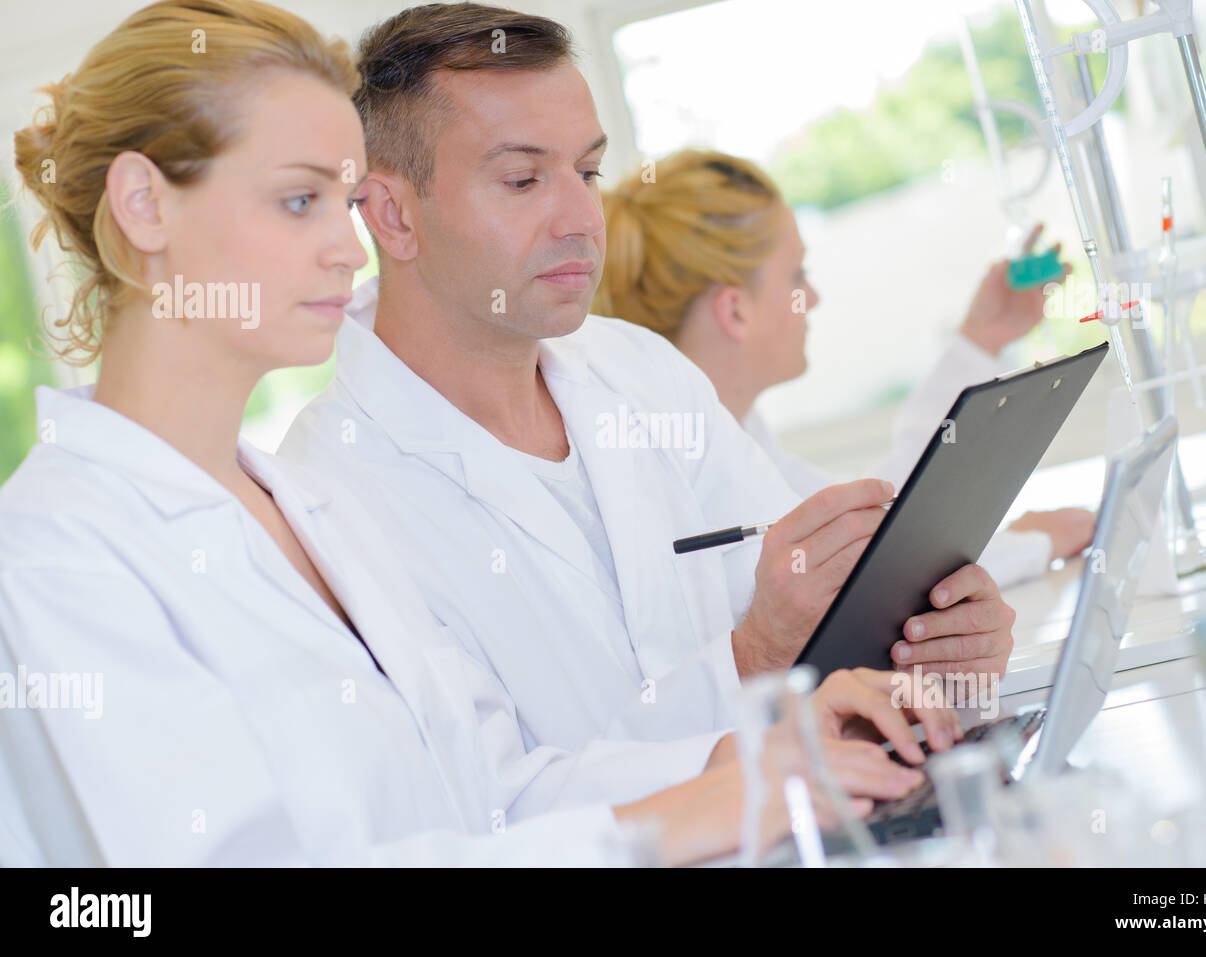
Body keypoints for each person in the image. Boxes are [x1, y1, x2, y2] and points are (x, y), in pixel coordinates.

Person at [0, 0, 948, 867]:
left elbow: (497, 793)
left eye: (340, 201)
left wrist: (761, 749)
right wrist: (687, 816)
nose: (346, 241)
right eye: (300, 201)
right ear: (143, 204)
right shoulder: (53, 550)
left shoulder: (301, 509)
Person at [278, 0, 1014, 824]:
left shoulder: (640, 373)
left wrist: (929, 649)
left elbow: (819, 642)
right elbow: (487, 810)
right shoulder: (329, 498)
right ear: (391, 213)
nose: (579, 218)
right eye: (523, 180)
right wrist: (750, 658)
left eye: (587, 173)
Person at [594, 149, 1096, 589]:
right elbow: (872, 581)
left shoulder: (737, 432)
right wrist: (1030, 546)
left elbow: (876, 520)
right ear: (735, 311)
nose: (812, 298)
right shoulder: (683, 467)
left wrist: (981, 337)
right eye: (797, 275)